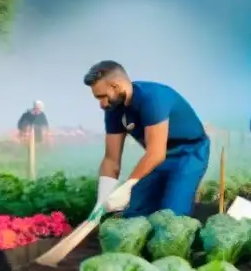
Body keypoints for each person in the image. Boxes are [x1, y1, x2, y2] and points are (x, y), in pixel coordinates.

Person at [85, 60, 211, 217]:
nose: (102, 104)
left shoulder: (152, 98)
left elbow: (156, 154)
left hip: (189, 152)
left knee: (171, 215)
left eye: (103, 96)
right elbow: (111, 160)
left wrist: (127, 187)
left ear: (116, 86)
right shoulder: (113, 110)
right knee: (134, 212)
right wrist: (101, 201)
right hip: (158, 156)